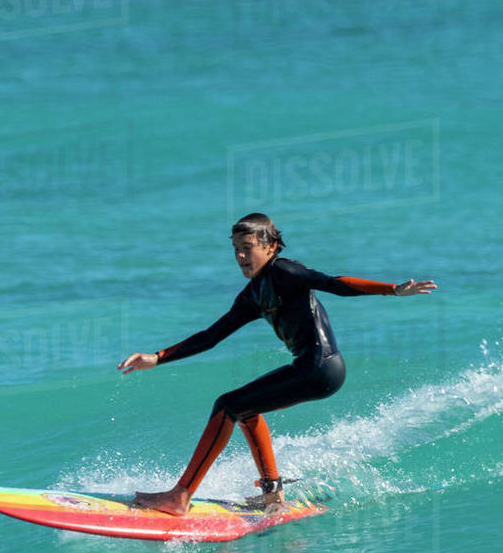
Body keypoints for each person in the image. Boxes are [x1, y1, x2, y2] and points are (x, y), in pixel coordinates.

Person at [117, 213, 437, 516]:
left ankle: (181, 496)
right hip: (311, 368)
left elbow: (333, 283)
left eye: (248, 248)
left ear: (270, 247)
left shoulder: (284, 271)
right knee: (244, 409)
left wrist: (392, 290)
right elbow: (212, 335)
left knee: (226, 405)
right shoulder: (253, 294)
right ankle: (273, 495)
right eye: (236, 250)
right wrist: (157, 357)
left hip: (320, 368)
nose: (241, 256)